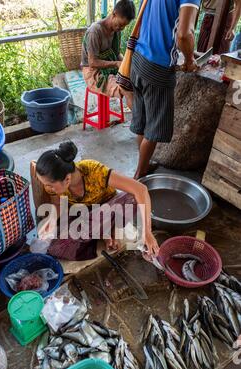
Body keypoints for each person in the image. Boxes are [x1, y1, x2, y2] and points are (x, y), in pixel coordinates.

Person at [30, 141, 159, 261]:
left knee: (132, 198)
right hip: (83, 214)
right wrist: (52, 218)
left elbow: (141, 189)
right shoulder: (55, 185)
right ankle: (104, 232)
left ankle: (106, 231)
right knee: (56, 248)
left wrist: (146, 232)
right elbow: (58, 204)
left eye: (49, 185)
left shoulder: (95, 171)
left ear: (67, 179)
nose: (47, 188)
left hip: (108, 209)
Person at [131, 0, 201, 179]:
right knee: (154, 128)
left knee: (143, 123)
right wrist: (189, 60)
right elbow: (184, 35)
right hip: (158, 66)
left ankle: (143, 162)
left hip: (138, 58)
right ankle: (141, 174)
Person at [81, 0, 136, 110]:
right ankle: (140, 124)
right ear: (114, 14)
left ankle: (144, 119)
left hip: (110, 69)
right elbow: (92, 62)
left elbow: (116, 54)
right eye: (120, 24)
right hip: (93, 73)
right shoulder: (95, 31)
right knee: (126, 88)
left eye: (124, 26)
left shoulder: (116, 31)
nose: (121, 28)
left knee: (137, 81)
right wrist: (116, 63)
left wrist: (126, 63)